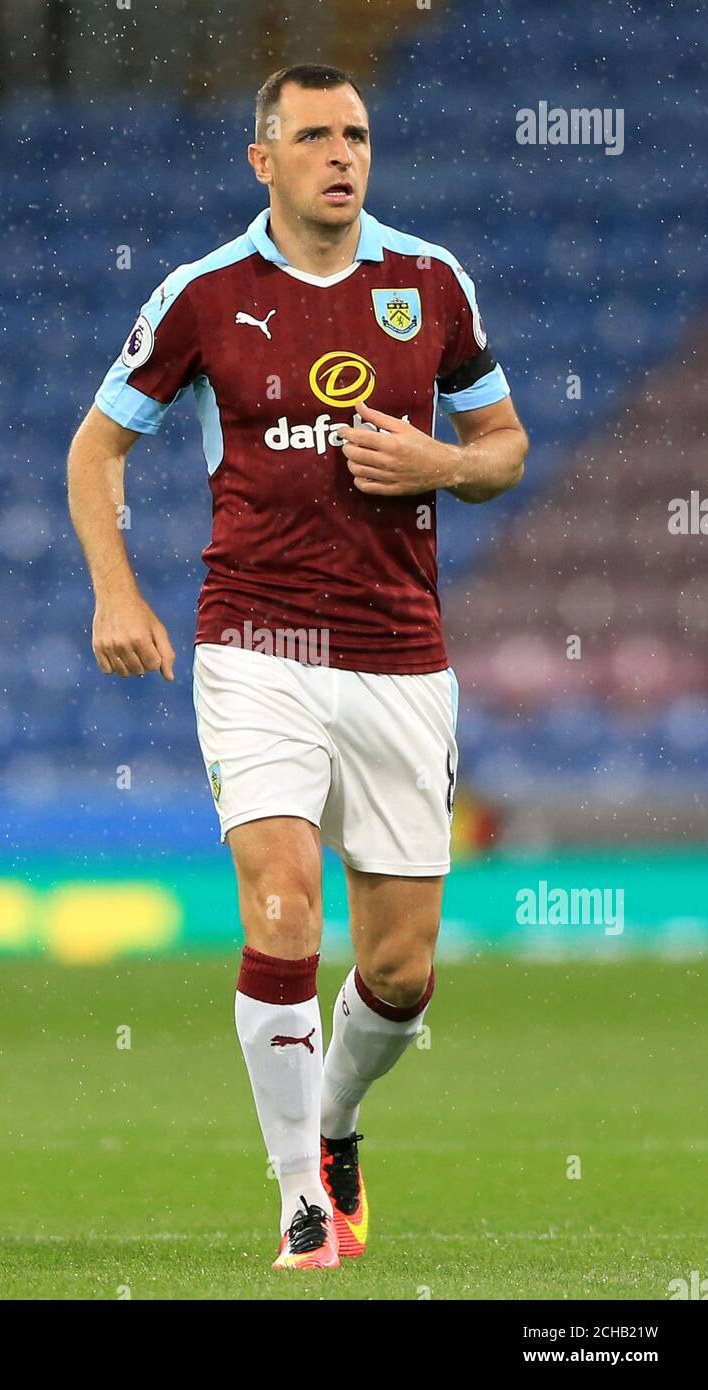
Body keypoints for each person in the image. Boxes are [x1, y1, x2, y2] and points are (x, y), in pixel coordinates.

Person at [67, 62, 528, 1271]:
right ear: (261, 158)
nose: (342, 154)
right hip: (254, 640)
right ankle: (297, 1204)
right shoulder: (203, 295)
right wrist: (117, 588)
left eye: (358, 134)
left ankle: (333, 1122)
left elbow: (501, 448)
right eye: (314, 135)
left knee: (399, 968)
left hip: (397, 655)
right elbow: (95, 445)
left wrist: (435, 463)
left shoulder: (426, 283)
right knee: (280, 901)